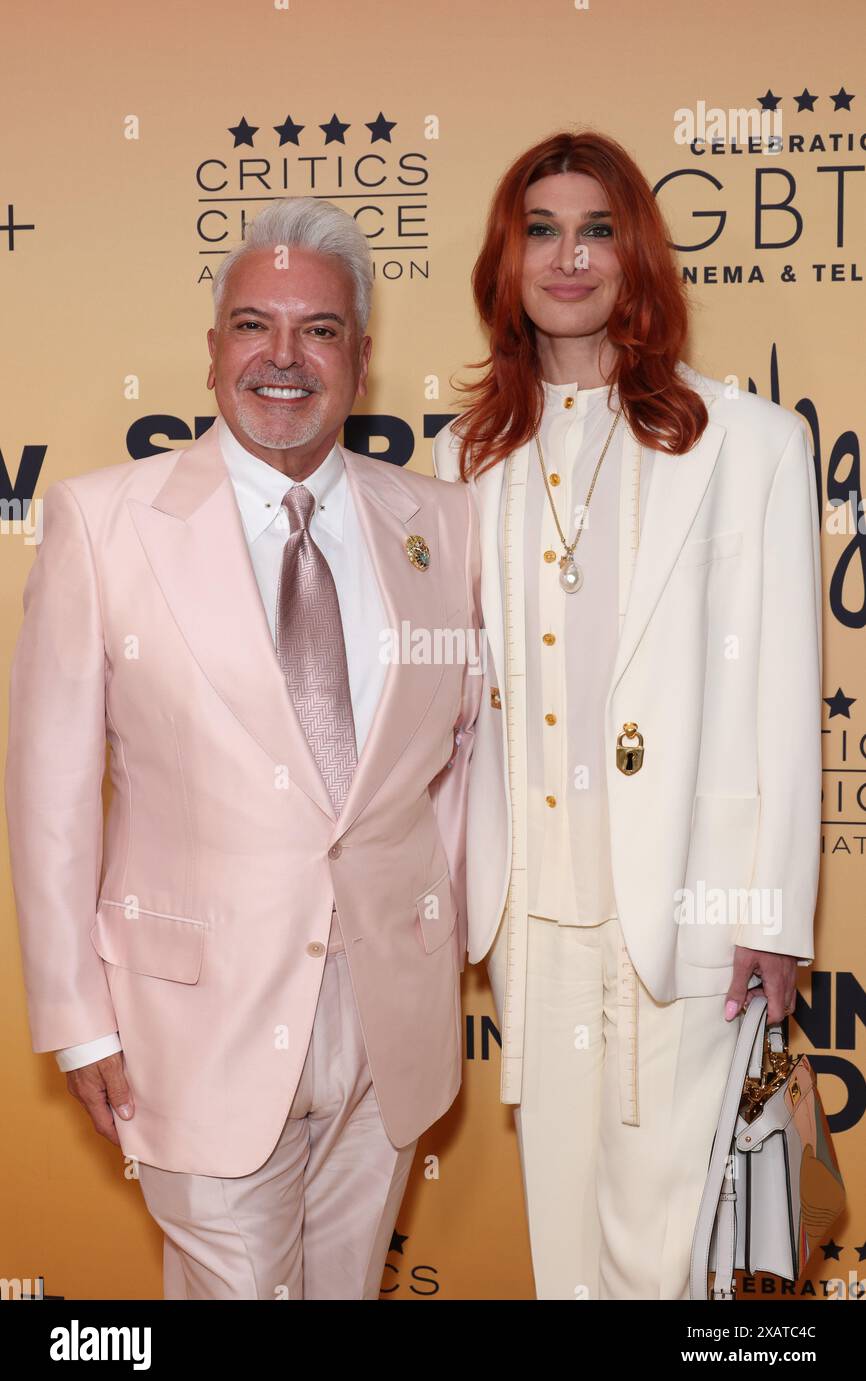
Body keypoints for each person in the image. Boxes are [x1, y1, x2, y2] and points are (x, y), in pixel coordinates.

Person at [6, 196, 481, 1300]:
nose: (283, 357)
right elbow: (50, 792)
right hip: (193, 1027)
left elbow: (457, 757)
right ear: (213, 349)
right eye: (253, 325)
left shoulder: (442, 524)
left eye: (319, 329)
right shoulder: (102, 522)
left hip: (387, 1023)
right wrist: (77, 1021)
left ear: (361, 358)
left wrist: (433, 925)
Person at [433, 130, 822, 1300]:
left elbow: (780, 689)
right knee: (563, 1241)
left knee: (663, 1250)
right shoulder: (462, 457)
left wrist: (771, 910)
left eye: (595, 230)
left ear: (635, 254)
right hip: (531, 912)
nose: (568, 258)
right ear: (505, 262)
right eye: (541, 231)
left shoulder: (748, 441)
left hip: (690, 903)